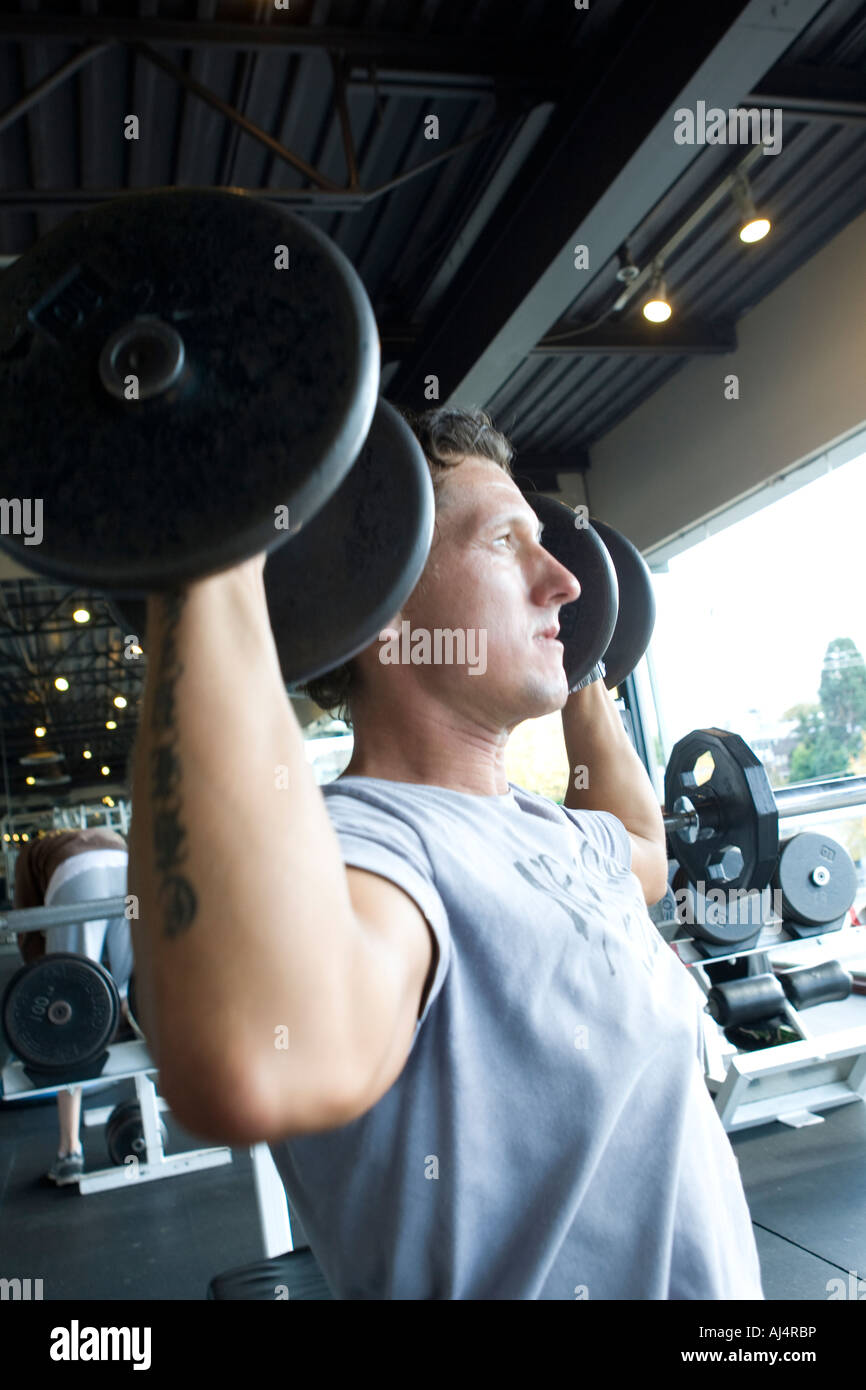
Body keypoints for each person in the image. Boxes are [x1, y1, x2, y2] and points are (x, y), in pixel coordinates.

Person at [128, 405, 765, 1300]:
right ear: (378, 601)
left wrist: (585, 676)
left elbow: (647, 853)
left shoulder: (551, 830)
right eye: (506, 543)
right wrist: (210, 558)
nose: (563, 583)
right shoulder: (374, 853)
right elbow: (256, 1055)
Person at [14, 827, 132, 1185]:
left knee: (68, 1017)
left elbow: (30, 931)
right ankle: (163, 1102)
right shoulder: (100, 833)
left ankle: (69, 1153)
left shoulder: (29, 856)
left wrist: (50, 994)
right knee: (132, 994)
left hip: (76, 878)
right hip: (125, 868)